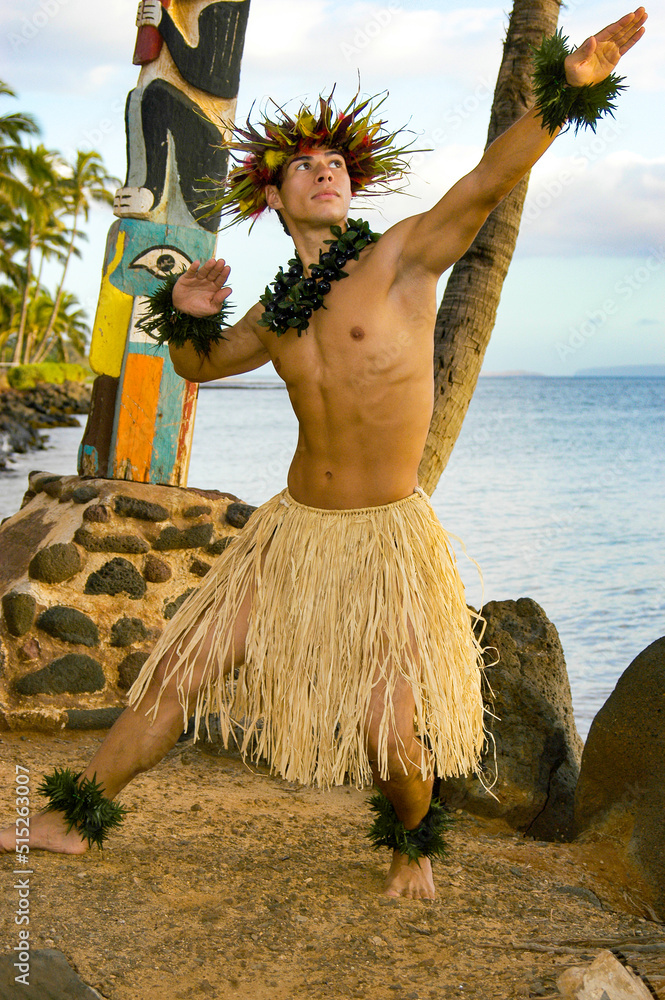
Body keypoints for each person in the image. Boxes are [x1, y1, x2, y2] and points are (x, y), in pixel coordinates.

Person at [0, 9, 647, 899]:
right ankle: (73, 819)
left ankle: (411, 845)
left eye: (336, 163)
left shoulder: (401, 259)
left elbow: (488, 179)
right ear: (274, 196)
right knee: (178, 671)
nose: (326, 171)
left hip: (384, 539)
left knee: (392, 735)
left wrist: (564, 92)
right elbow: (197, 365)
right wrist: (186, 307)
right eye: (305, 165)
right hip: (291, 532)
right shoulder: (277, 311)